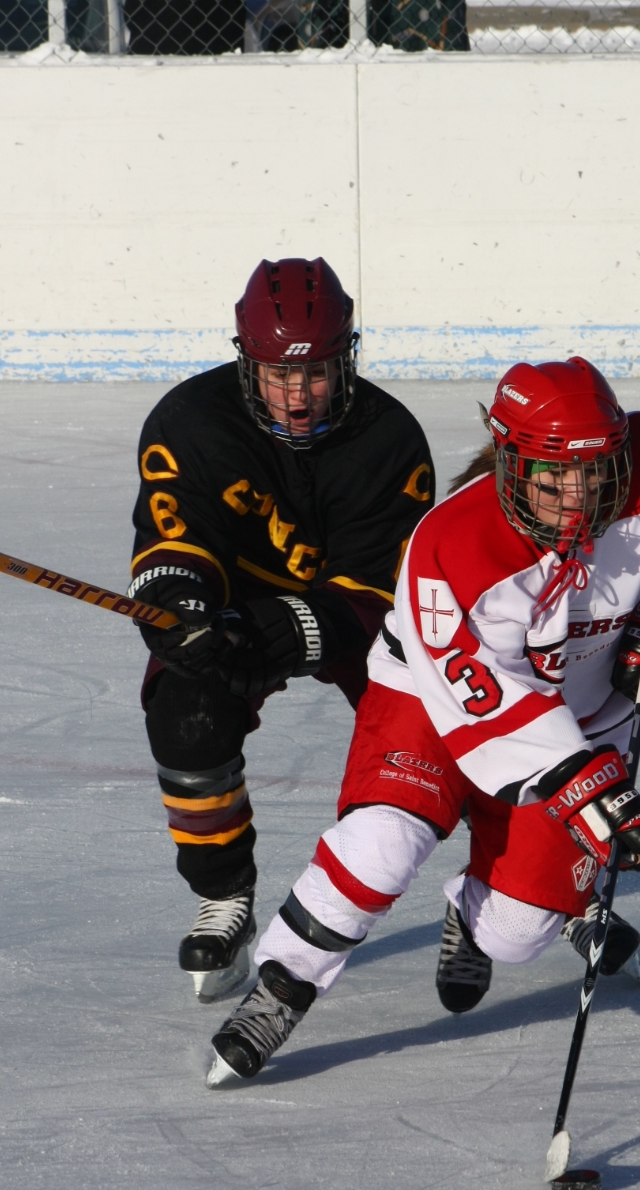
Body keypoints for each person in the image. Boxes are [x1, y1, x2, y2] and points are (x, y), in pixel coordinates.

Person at [204, 357, 640, 1087]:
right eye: (553, 476)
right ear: (511, 460)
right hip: (429, 696)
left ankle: (475, 907)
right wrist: (589, 784)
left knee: (515, 937)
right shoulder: (453, 546)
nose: (578, 496)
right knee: (384, 844)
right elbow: (484, 699)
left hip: (582, 717)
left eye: (596, 471)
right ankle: (282, 986)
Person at [130, 257, 435, 1000]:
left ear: (348, 357)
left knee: (450, 729)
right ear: (246, 363)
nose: (299, 400)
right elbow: (174, 540)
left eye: (319, 374)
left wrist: (294, 625)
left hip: (356, 615)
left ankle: (537, 884)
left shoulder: (390, 440)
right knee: (186, 715)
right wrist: (182, 605)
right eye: (278, 376)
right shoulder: (189, 422)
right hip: (232, 606)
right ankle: (225, 896)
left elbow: (377, 591)